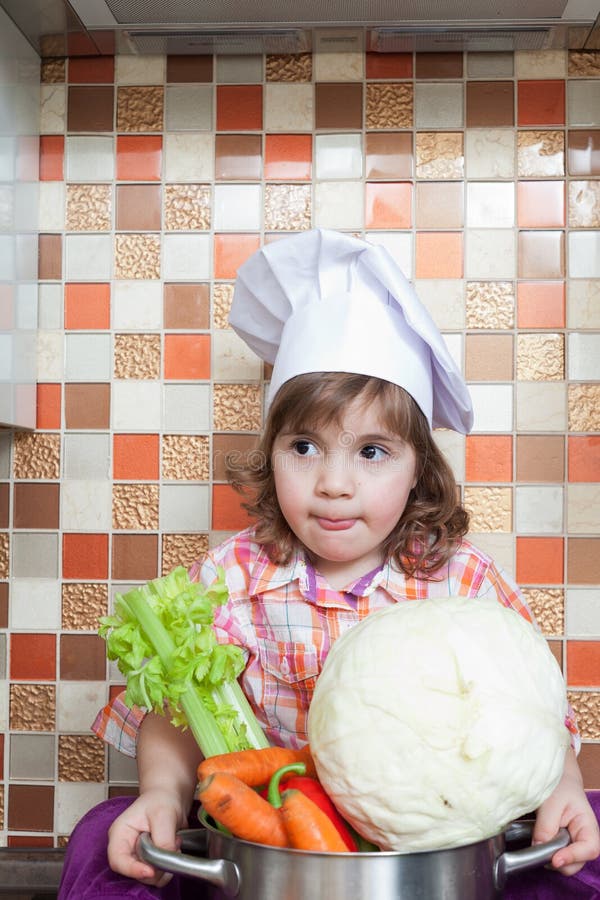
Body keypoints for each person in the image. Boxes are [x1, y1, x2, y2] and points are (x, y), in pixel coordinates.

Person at [58, 229, 600, 900]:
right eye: (306, 446)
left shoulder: (462, 582)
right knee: (102, 841)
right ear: (270, 453)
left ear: (418, 471)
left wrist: (566, 789)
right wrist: (162, 796)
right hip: (269, 841)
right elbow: (172, 713)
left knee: (586, 839)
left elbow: (536, 716)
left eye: (372, 452)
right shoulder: (231, 581)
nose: (334, 483)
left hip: (431, 847)